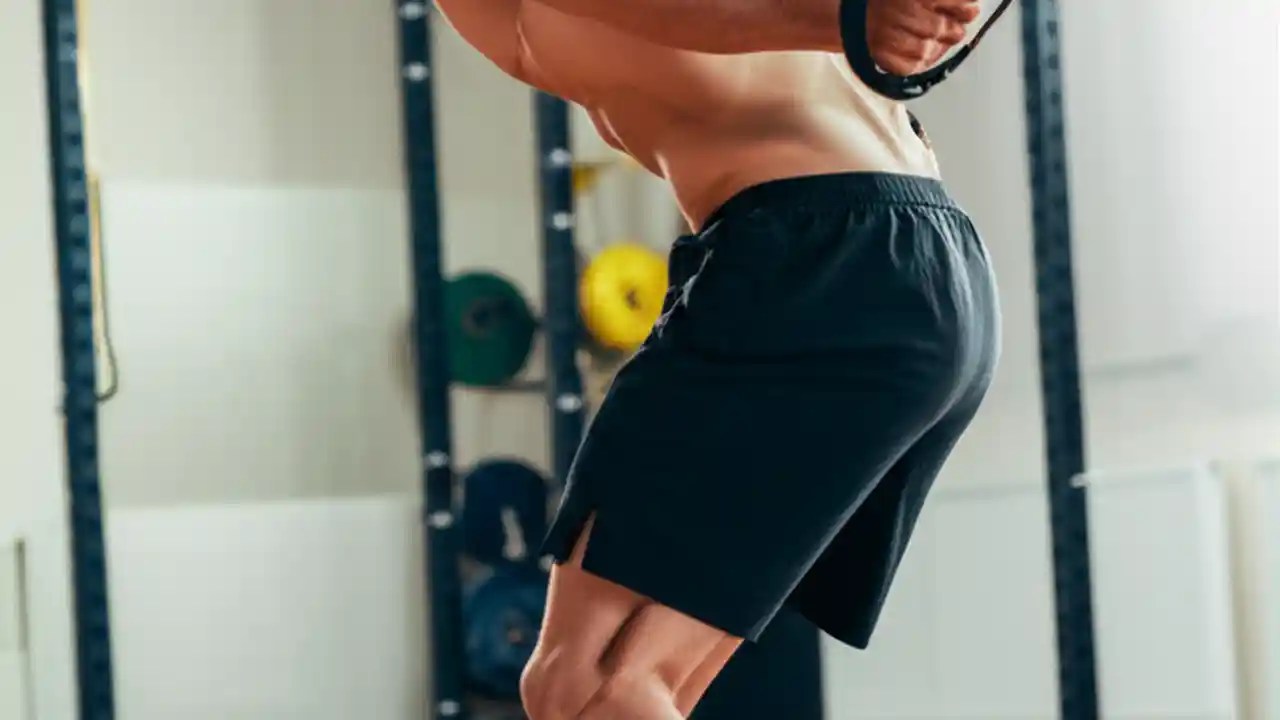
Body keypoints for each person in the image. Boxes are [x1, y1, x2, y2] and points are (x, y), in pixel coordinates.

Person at [433, 0, 1001, 716]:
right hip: (926, 269)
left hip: (819, 257)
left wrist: (847, 20)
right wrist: (854, 20)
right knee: (611, 682)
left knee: (590, 681)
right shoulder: (502, 22)